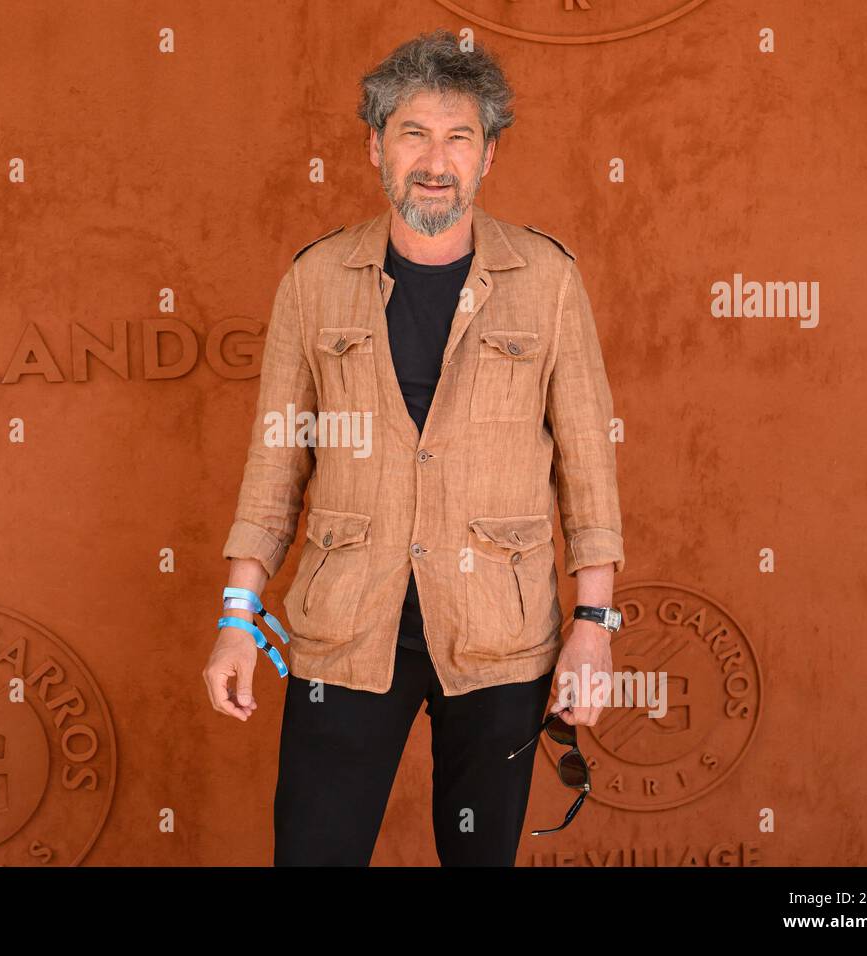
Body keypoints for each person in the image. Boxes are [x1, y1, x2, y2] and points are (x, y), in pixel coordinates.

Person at [203, 29, 626, 866]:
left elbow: (588, 461)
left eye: (459, 137)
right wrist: (236, 617)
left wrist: (593, 625)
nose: (436, 161)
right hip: (348, 626)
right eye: (413, 134)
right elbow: (275, 462)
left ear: (488, 156)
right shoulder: (315, 281)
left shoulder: (546, 282)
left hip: (500, 631)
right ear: (376, 145)